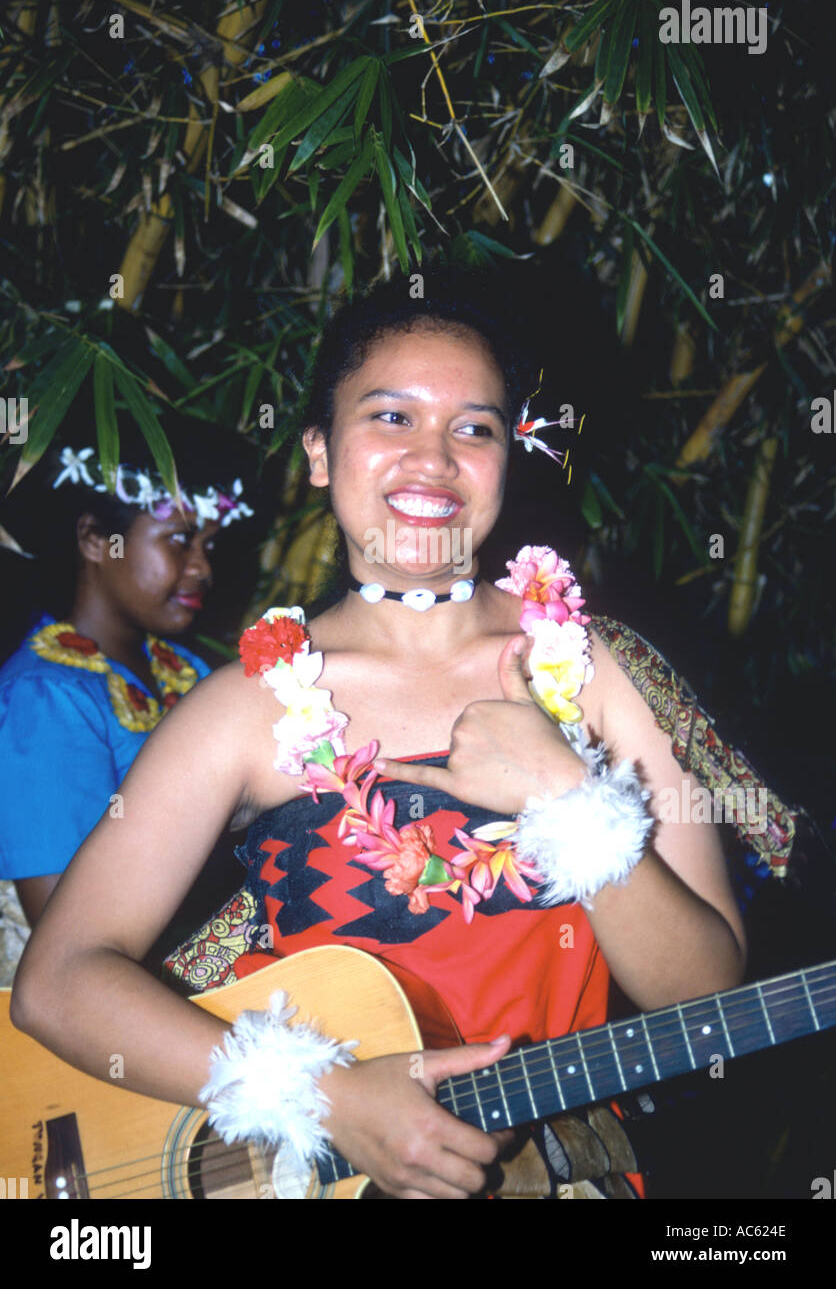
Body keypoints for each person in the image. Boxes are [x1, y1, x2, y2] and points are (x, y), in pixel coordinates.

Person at [11, 273, 746, 1200]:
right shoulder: (248, 707)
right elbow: (60, 980)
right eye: (391, 418)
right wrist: (327, 1101)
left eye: (474, 428)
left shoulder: (593, 674)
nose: (433, 459)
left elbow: (706, 996)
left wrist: (566, 795)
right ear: (320, 452)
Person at [0, 422, 255, 929]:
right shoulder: (45, 698)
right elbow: (66, 934)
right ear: (98, 541)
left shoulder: (190, 671)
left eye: (209, 546)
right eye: (180, 541)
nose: (203, 567)